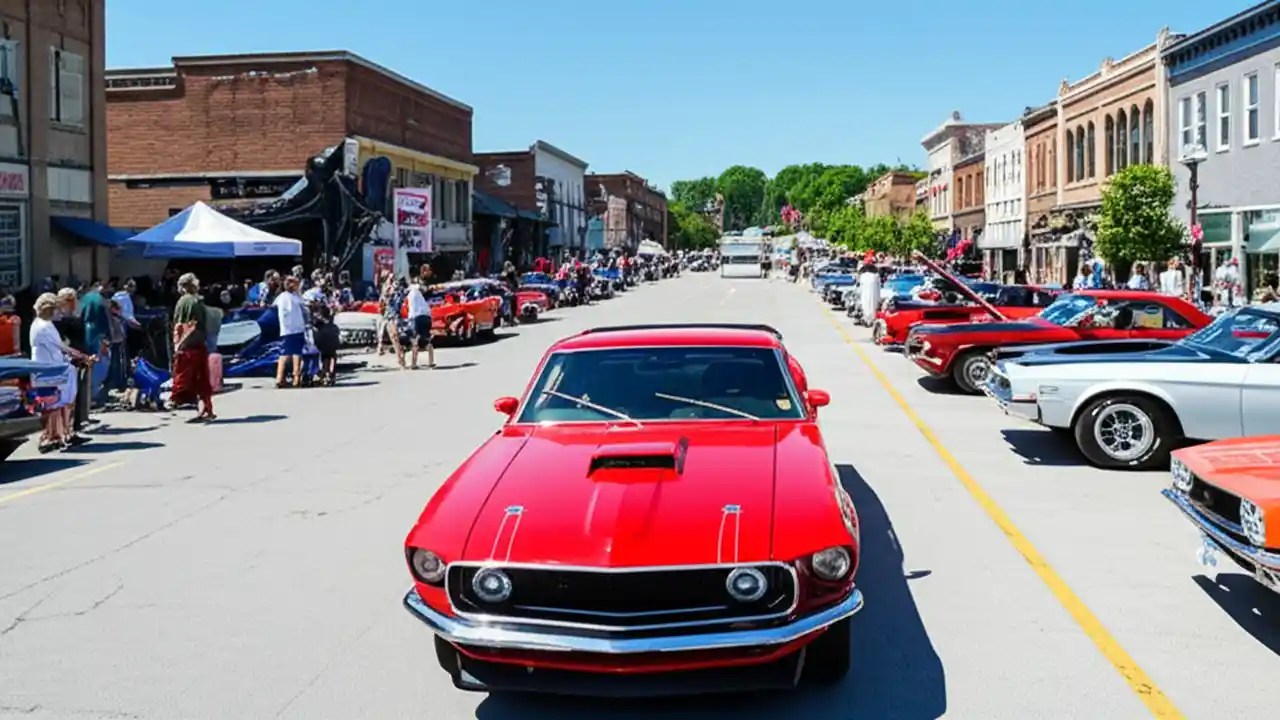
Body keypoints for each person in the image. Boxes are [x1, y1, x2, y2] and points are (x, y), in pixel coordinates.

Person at [30, 292, 89, 451]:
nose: (60, 313)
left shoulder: (39, 324)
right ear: (50, 310)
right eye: (57, 309)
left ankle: (57, 435)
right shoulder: (45, 327)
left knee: (54, 404)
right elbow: (61, 347)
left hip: (47, 370)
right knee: (53, 405)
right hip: (50, 371)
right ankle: (49, 438)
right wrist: (81, 355)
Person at [171, 273, 215, 421]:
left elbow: (186, 326)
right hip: (199, 344)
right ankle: (206, 409)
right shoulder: (197, 301)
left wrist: (179, 344)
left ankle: (193, 409)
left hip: (189, 346)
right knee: (202, 379)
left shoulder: (185, 302)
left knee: (187, 380)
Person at [273, 275, 307, 388]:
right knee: (296, 353)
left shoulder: (280, 297)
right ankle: (296, 378)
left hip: (286, 329)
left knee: (284, 353)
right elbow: (304, 308)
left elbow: (273, 308)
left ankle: (279, 377)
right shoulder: (295, 297)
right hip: (297, 328)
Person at [405, 277, 436, 370]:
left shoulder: (410, 292)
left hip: (416, 317)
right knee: (426, 340)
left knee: (415, 341)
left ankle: (413, 364)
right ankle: (431, 362)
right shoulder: (421, 294)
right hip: (427, 317)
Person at [857, 261, 882, 326]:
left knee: (866, 306)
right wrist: (879, 298)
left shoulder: (863, 276)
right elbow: (879, 286)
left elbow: (860, 286)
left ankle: (867, 319)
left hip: (865, 294)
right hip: (874, 294)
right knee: (872, 306)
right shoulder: (876, 276)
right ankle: (871, 319)